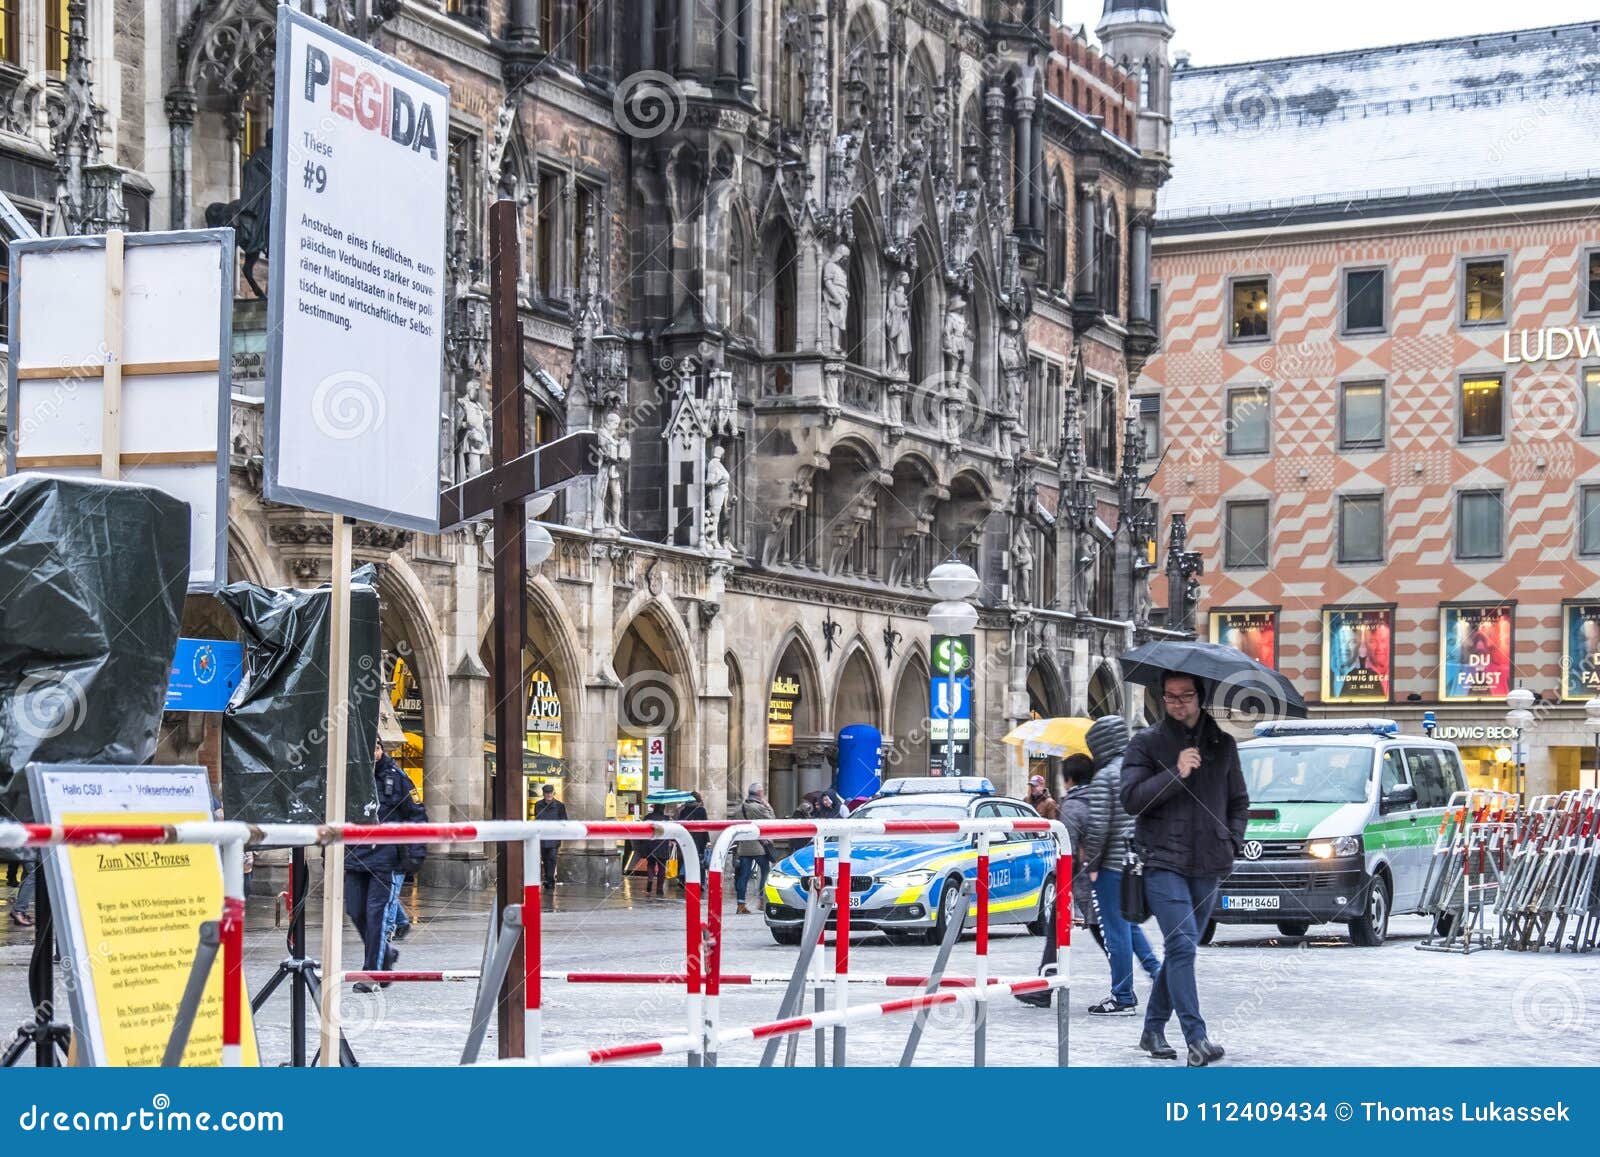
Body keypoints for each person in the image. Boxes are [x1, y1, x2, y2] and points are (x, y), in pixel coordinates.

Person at [1121, 671, 1248, 1067]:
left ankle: (1153, 1029)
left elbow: (1240, 801)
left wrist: (1232, 839)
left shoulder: (1223, 745)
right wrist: (1176, 772)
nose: (1177, 704)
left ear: (1200, 696)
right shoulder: (1146, 743)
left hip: (1209, 862)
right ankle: (1197, 1037)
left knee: (1183, 947)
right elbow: (1131, 799)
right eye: (1170, 697)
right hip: (1162, 860)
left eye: (1185, 696)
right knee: (1180, 944)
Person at [1078, 714, 1162, 1015]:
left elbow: (1099, 827)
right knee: (1129, 925)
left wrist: (1093, 863)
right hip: (1136, 861)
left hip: (1111, 865)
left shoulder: (1104, 778)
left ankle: (1123, 996)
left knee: (1115, 932)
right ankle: (1159, 975)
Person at [1016, 754, 1096, 1008]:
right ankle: (1045, 985)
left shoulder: (1069, 804)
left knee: (1111, 936)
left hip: (1082, 879)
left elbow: (1068, 845)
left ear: (1068, 778)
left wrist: (1061, 877)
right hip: (1088, 878)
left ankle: (1129, 988)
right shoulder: (1095, 798)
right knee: (1059, 930)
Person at [349, 739, 427, 993]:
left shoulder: (397, 778)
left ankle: (371, 972)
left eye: (376, 748)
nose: (372, 753)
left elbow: (416, 815)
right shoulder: (350, 776)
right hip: (354, 855)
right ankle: (385, 957)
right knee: (355, 911)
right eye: (367, 747)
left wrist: (415, 855)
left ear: (381, 750)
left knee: (376, 916)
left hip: (384, 858)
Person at [730, 782, 775, 915]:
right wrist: (768, 806)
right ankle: (761, 901)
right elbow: (772, 819)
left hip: (744, 847)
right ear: (759, 793)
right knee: (766, 870)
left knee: (744, 875)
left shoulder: (738, 809)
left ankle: (740, 904)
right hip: (758, 846)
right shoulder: (759, 808)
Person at [533, 783, 568, 886]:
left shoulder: (559, 805)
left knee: (552, 857)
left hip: (554, 836)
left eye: (550, 793)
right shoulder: (538, 804)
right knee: (545, 858)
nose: (549, 795)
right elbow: (537, 819)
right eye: (546, 793)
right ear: (543, 794)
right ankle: (548, 879)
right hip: (543, 836)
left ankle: (550, 880)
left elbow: (564, 820)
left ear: (553, 793)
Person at [640, 802, 672, 896]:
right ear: (663, 808)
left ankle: (649, 884)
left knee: (650, 864)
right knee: (662, 867)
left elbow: (643, 830)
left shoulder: (647, 817)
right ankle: (659, 889)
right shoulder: (666, 819)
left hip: (650, 844)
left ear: (654, 808)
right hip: (662, 845)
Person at [677, 791, 710, 872]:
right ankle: (699, 882)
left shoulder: (683, 811)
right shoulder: (701, 810)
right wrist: (708, 841)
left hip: (686, 839)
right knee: (698, 862)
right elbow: (705, 827)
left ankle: (684, 880)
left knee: (686, 860)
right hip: (699, 840)